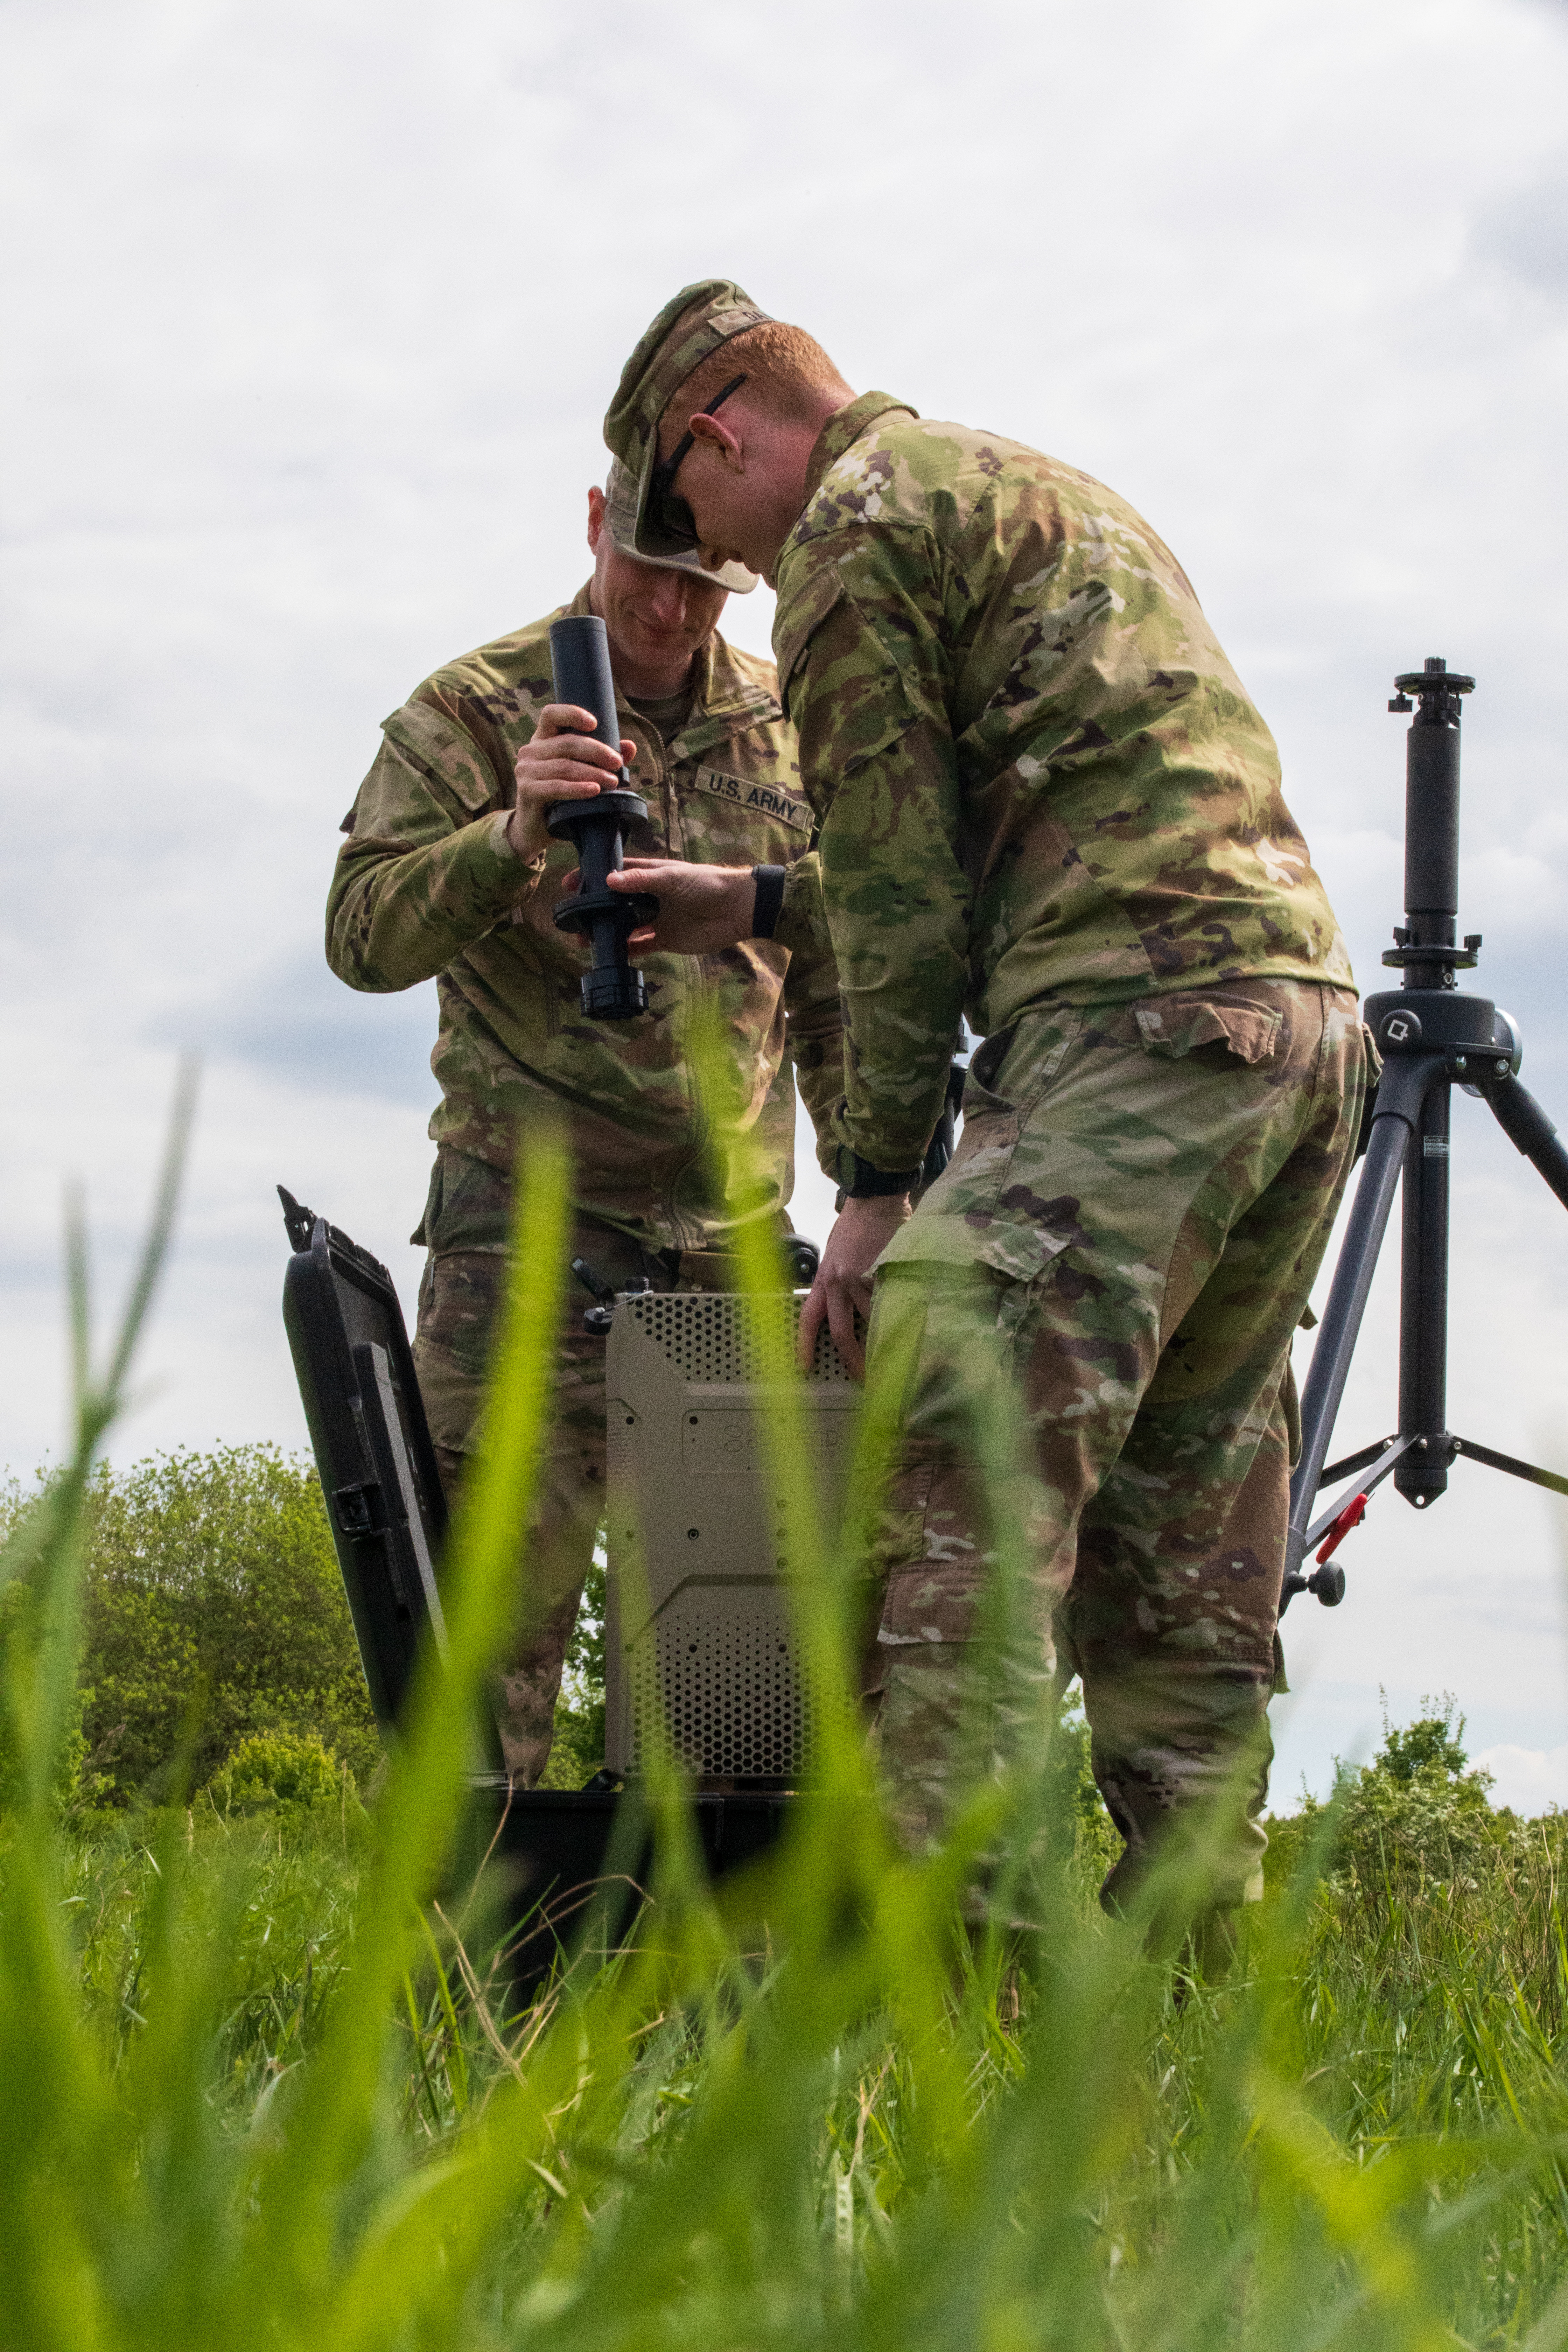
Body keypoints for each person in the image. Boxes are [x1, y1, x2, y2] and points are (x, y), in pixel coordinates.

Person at [596, 278, 1369, 1940]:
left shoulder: (850, 539)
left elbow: (896, 897)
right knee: (1182, 1548)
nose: (721, 567)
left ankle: (967, 2009)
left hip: (1129, 1038)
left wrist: (876, 1188)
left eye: (705, 523)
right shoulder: (1026, 482)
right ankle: (1190, 1989)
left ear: (717, 435)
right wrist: (751, 898)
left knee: (956, 1459)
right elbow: (1022, 835)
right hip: (1290, 1041)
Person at [326, 448, 843, 1785]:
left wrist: (874, 1192)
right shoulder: (474, 707)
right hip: (524, 1253)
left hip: (734, 1258)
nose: (671, 612)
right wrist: (511, 838)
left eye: (704, 584)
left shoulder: (792, 724)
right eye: (648, 572)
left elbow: (836, 973)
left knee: (738, 1704)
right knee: (474, 1683)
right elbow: (360, 937)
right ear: (599, 521)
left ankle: (700, 1991)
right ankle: (449, 1990)